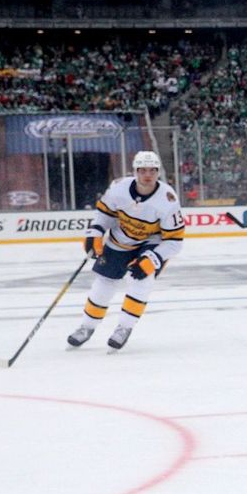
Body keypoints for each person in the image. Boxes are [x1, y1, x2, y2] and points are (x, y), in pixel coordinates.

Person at [67, 150, 185, 351]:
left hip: (151, 242)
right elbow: (104, 214)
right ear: (135, 172)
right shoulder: (118, 188)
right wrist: (95, 231)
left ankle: (124, 327)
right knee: (104, 282)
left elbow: (175, 240)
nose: (147, 175)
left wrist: (154, 258)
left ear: (158, 172)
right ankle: (87, 327)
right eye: (142, 170)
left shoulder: (168, 200)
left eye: (152, 170)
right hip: (119, 239)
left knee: (142, 279)